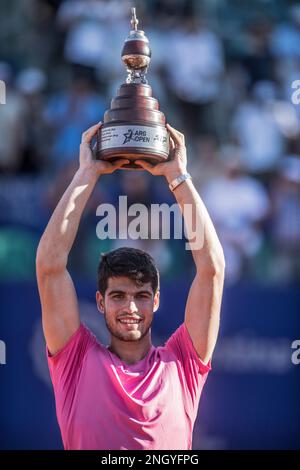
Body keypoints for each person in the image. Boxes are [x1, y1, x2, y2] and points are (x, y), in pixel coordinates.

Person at [36, 121, 225, 450]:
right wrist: (87, 173)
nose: (131, 307)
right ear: (100, 301)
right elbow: (49, 267)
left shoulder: (183, 362)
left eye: (141, 296)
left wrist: (177, 176)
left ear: (155, 301)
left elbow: (212, 270)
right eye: (118, 296)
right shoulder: (75, 359)